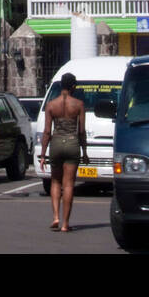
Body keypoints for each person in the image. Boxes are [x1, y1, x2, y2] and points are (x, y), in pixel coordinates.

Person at [40, 72, 87, 232]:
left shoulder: (51, 105)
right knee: (69, 185)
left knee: (55, 181)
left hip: (57, 142)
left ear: (61, 85)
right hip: (72, 142)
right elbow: (81, 131)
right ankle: (66, 224)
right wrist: (85, 151)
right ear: (73, 86)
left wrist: (43, 154)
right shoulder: (79, 104)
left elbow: (47, 131)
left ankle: (56, 217)